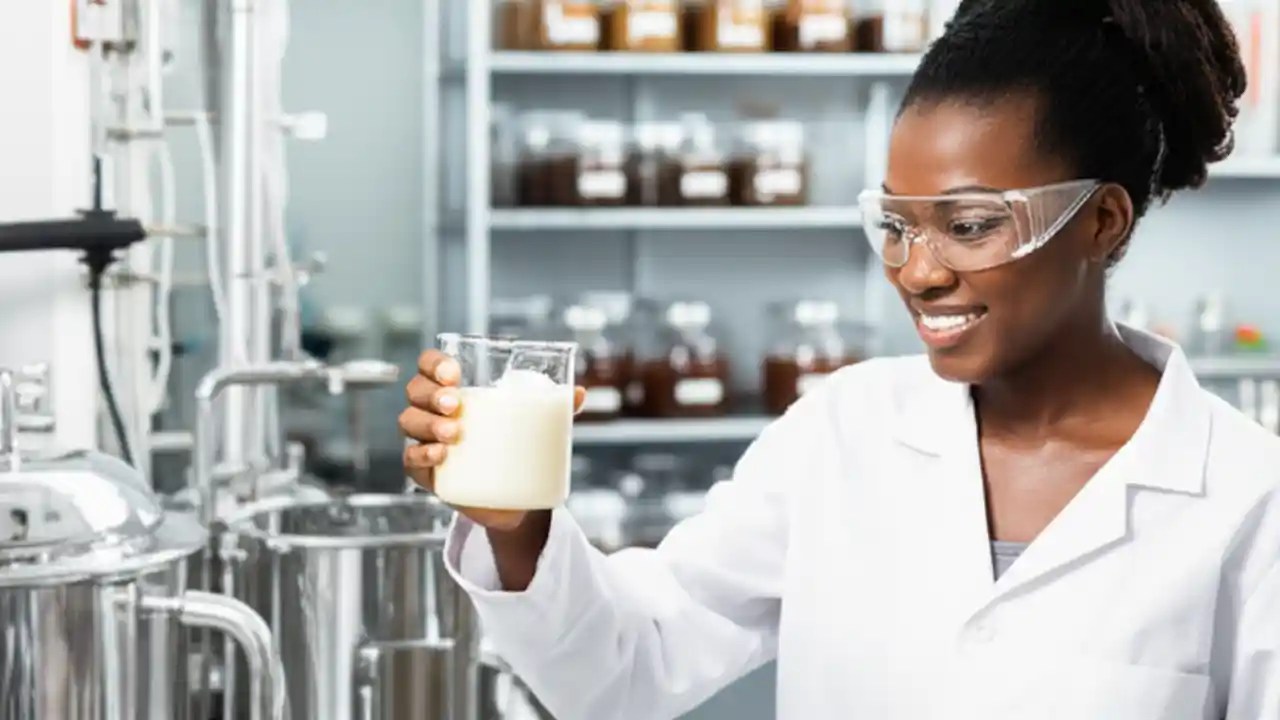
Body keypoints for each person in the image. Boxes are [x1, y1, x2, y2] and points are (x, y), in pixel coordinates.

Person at [400, 0, 1279, 717]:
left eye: (969, 226)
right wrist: (516, 523)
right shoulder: (842, 430)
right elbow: (627, 666)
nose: (919, 272)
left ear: (1101, 222)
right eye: (896, 225)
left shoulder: (1248, 499)